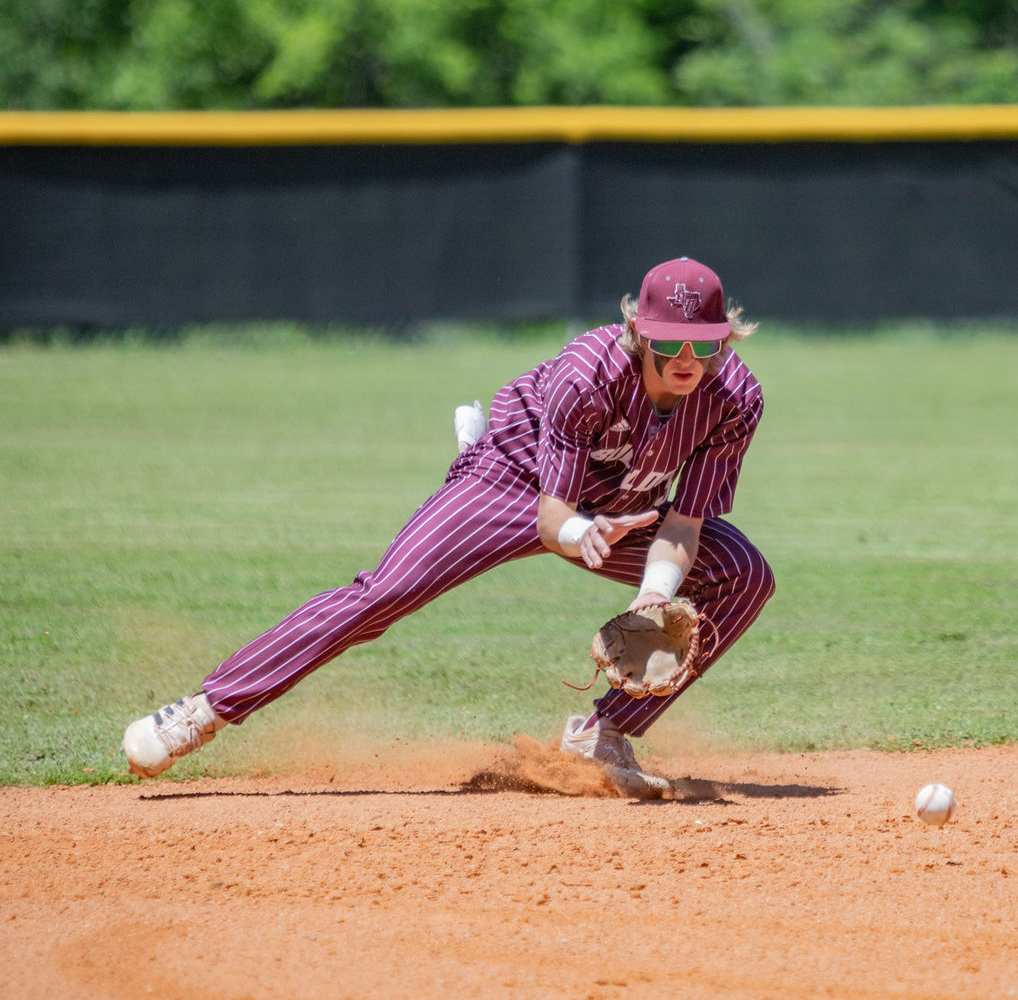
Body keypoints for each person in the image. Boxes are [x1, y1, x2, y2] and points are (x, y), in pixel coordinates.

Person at [121, 256, 776, 798]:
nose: (687, 356)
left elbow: (685, 522)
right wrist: (581, 535)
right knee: (384, 594)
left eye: (705, 342)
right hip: (515, 480)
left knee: (743, 575)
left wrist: (654, 593)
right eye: (669, 340)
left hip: (628, 508)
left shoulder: (734, 398)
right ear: (639, 331)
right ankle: (204, 709)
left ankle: (601, 733)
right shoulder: (587, 376)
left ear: (727, 338)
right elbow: (553, 517)